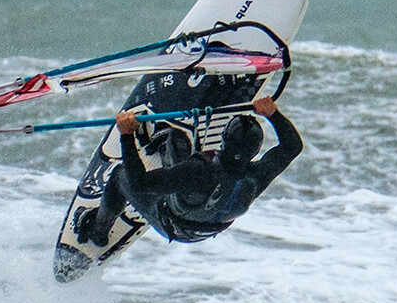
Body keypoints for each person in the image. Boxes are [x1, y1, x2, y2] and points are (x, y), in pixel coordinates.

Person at [76, 95, 302, 247]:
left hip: (172, 225)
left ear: (223, 139)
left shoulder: (198, 171)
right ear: (256, 150)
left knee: (120, 176)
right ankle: (156, 144)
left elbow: (139, 183)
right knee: (177, 139)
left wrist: (126, 135)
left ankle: (98, 231)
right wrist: (273, 114)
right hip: (206, 230)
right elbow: (292, 146)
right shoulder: (258, 175)